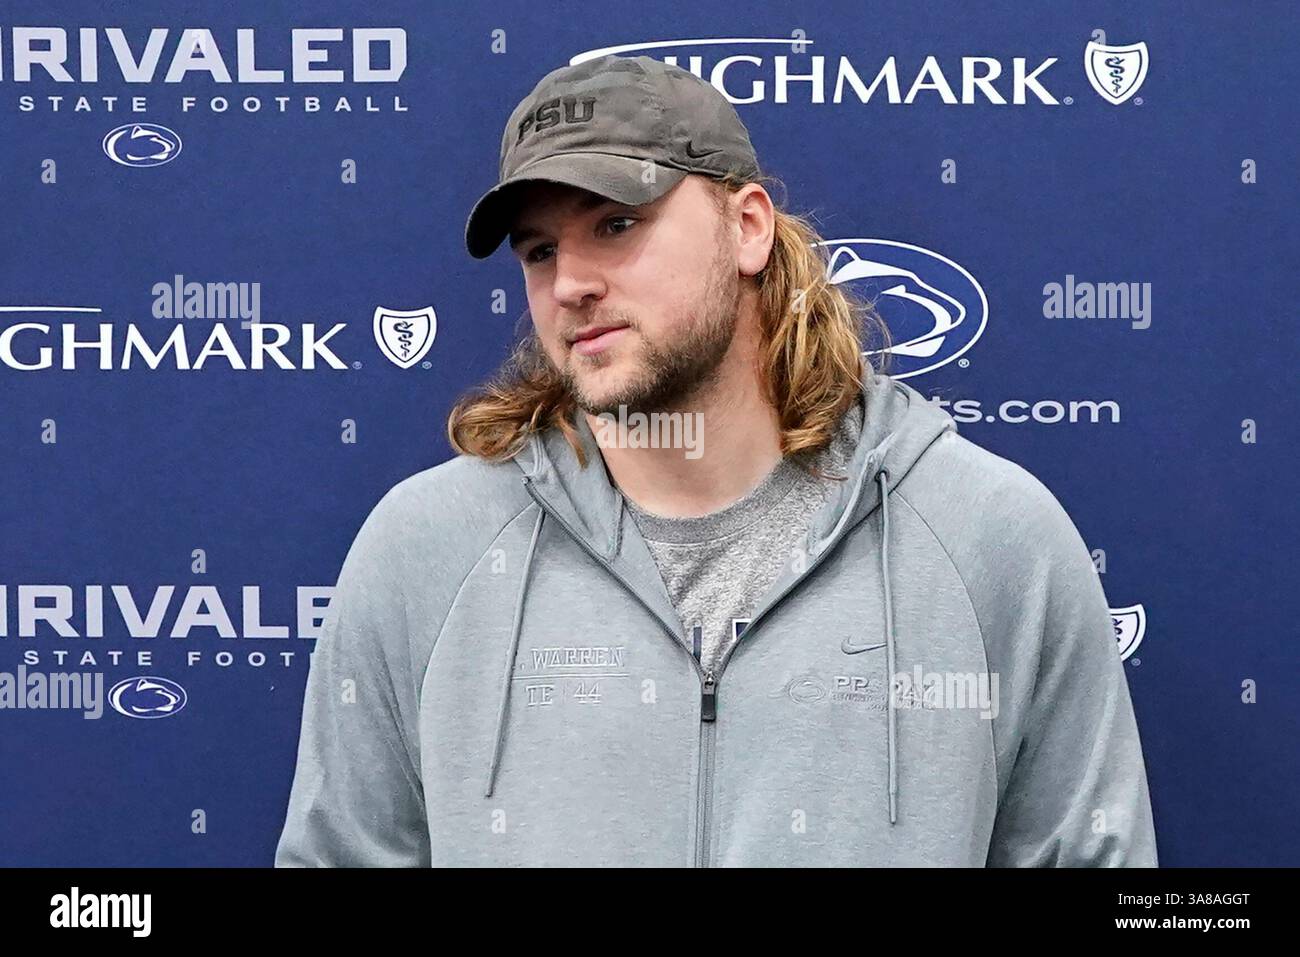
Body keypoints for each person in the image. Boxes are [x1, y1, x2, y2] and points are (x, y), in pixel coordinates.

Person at [275, 54, 1157, 867]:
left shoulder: (990, 536)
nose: (570, 281)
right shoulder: (426, 548)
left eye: (616, 223)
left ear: (747, 229)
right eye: (539, 250)